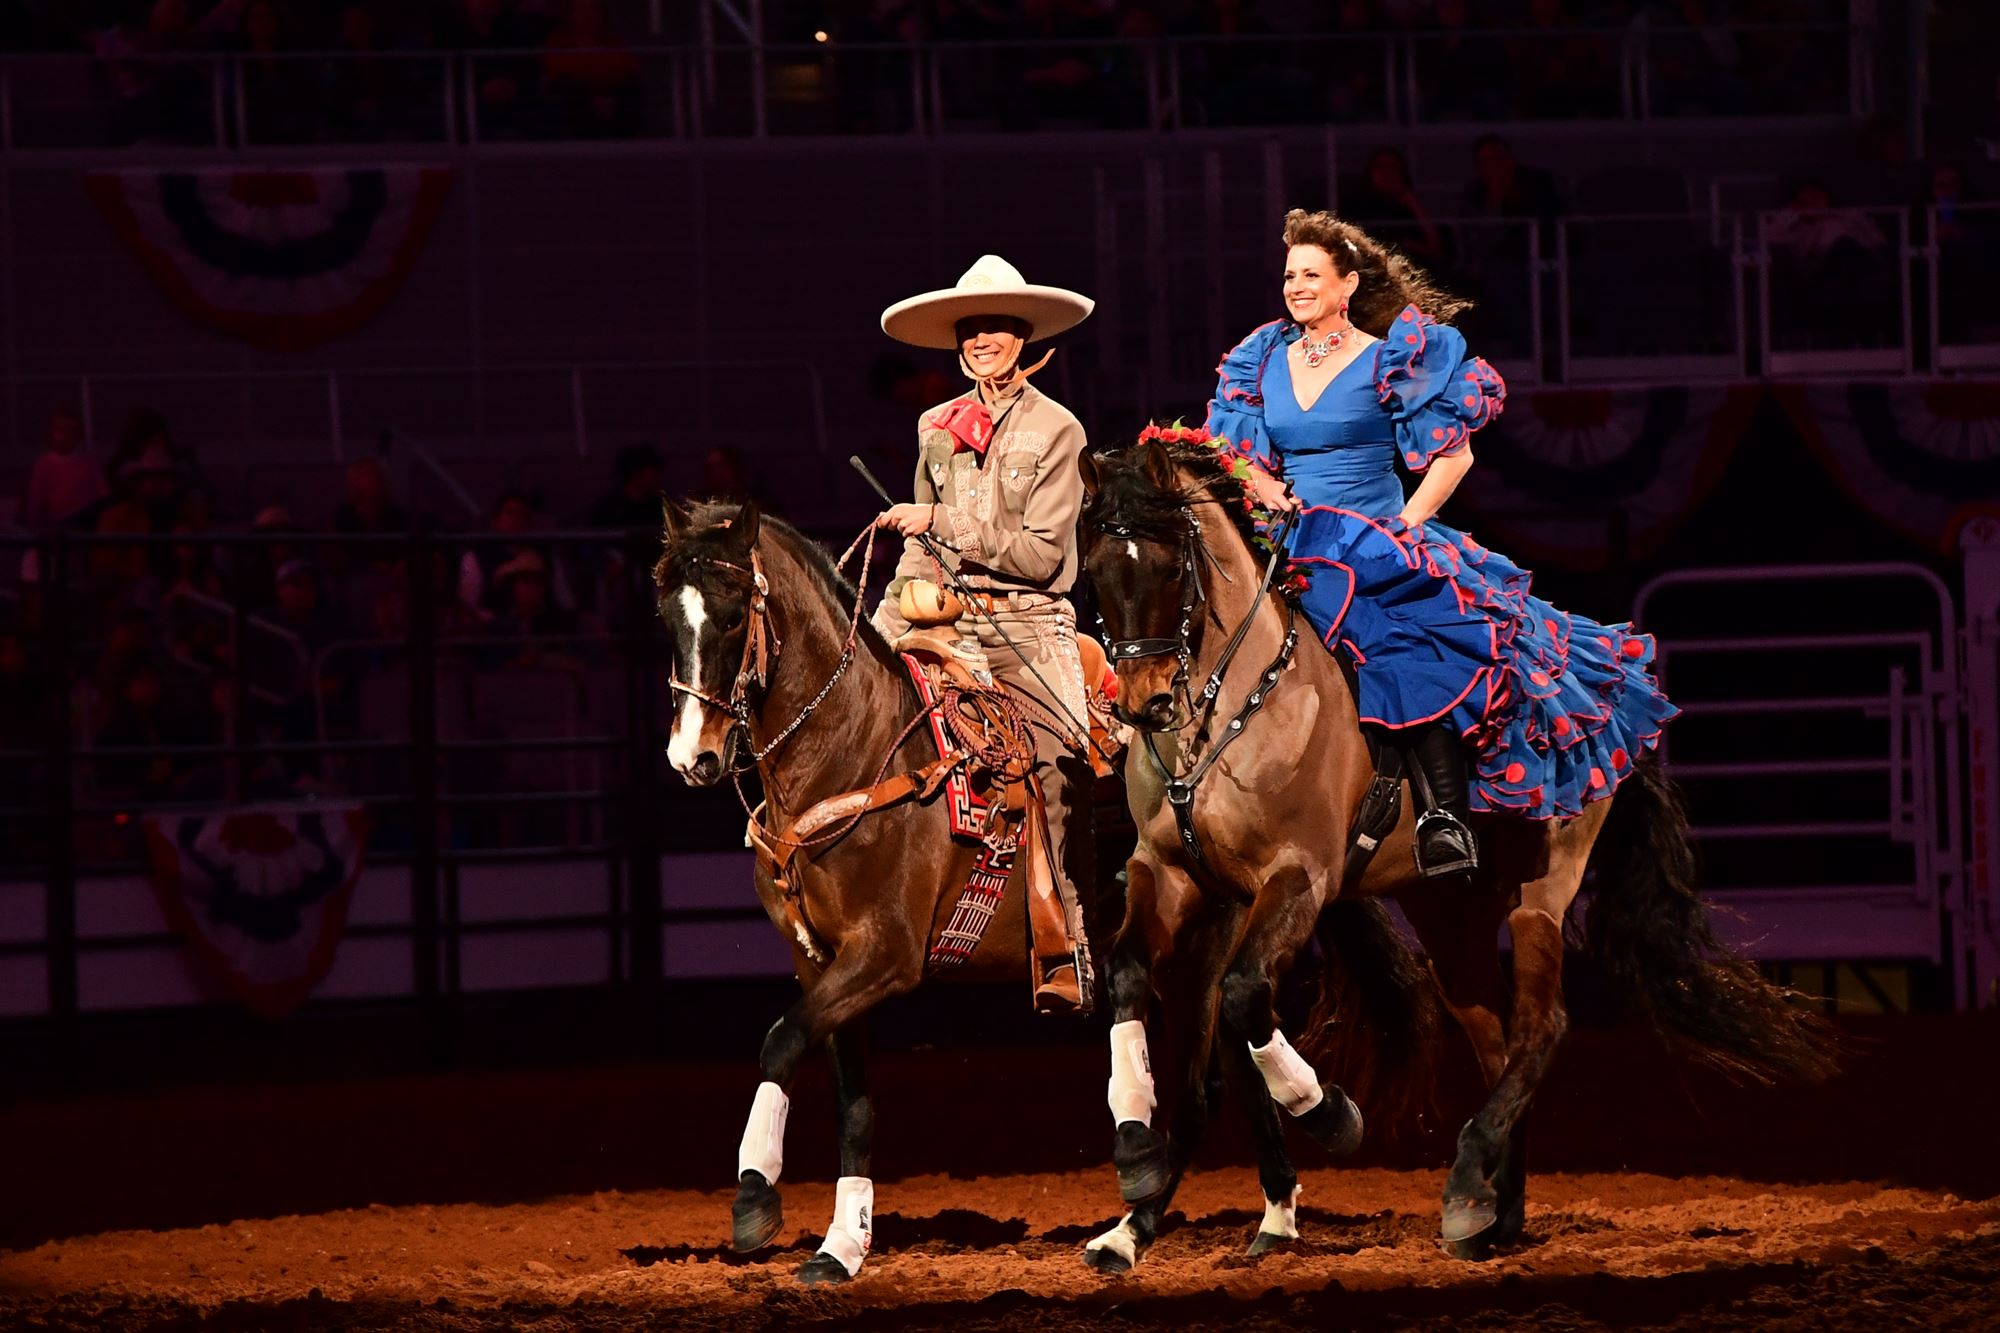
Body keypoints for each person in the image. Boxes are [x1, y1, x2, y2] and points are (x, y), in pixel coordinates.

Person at [1207, 210, 1676, 877]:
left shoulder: (1387, 358)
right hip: (1288, 538)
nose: (1296, 286)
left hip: (1373, 540)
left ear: (1346, 286)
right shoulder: (1261, 357)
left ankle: (1442, 816)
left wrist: (1407, 523)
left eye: (1311, 274)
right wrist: (1261, 484)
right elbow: (1237, 449)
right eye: (1289, 275)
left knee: (1405, 645)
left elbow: (1453, 460)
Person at [870, 254, 1097, 1012]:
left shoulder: (1058, 429)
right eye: (969, 329)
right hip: (939, 606)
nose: (980, 339)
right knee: (853, 686)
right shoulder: (935, 425)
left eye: (995, 325)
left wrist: (943, 523)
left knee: (1056, 764)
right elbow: (916, 538)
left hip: (1025, 621)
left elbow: (1038, 553)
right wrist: (895, 602)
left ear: (1024, 334)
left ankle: (1066, 936)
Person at [21, 406, 106, 530]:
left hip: (89, 523)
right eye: (61, 430)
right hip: (59, 526)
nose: (66, 435)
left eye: (72, 430)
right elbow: (35, 503)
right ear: (51, 433)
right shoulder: (43, 465)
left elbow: (103, 493)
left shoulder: (89, 462)